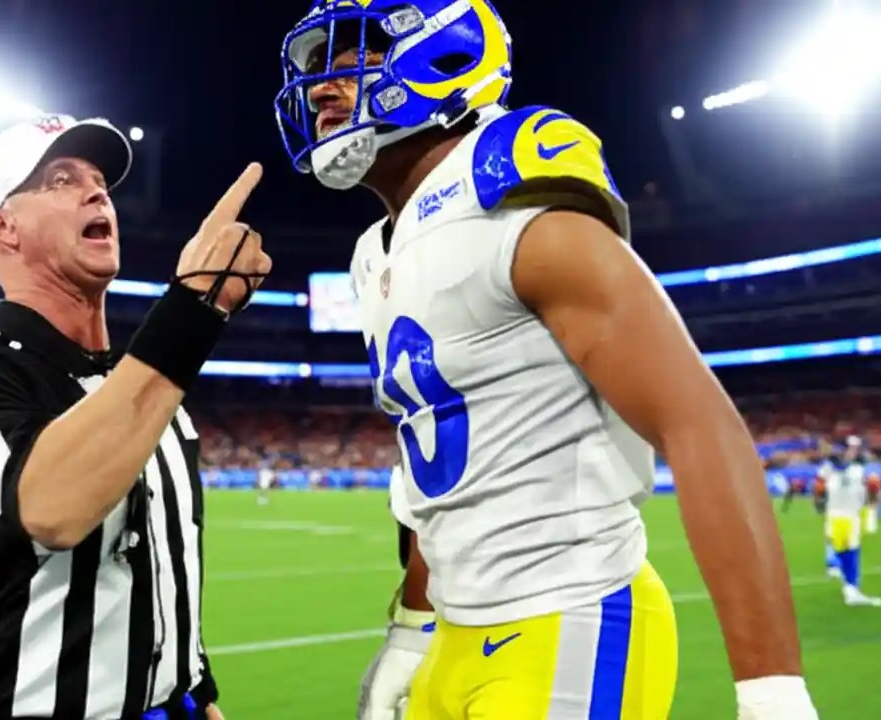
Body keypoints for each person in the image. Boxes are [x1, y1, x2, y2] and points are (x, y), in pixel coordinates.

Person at [274, 2, 818, 718]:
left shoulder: (518, 207)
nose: (320, 88)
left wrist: (772, 688)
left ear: (445, 57)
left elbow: (698, 423)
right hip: (457, 636)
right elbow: (437, 472)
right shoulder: (374, 251)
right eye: (314, 69)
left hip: (572, 617)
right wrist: (412, 630)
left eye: (348, 59)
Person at [0, 112, 269, 720]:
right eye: (58, 180)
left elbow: (163, 564)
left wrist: (197, 690)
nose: (95, 189)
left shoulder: (147, 390)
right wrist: (192, 310)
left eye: (98, 178)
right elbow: (53, 510)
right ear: (3, 229)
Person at [820, 451, 881, 606]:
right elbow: (873, 488)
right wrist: (872, 506)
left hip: (834, 516)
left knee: (842, 551)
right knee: (851, 552)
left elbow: (821, 489)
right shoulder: (858, 472)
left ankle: (846, 583)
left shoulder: (833, 474)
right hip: (849, 516)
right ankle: (852, 590)